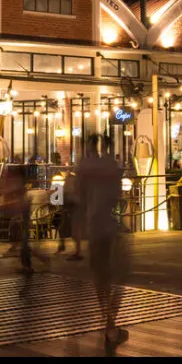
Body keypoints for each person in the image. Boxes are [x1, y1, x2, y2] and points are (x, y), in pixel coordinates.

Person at [79, 136, 130, 347]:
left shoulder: (84, 166)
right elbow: (117, 195)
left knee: (100, 278)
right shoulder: (110, 166)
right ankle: (111, 325)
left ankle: (109, 323)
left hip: (93, 228)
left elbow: (78, 196)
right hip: (109, 226)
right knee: (119, 276)